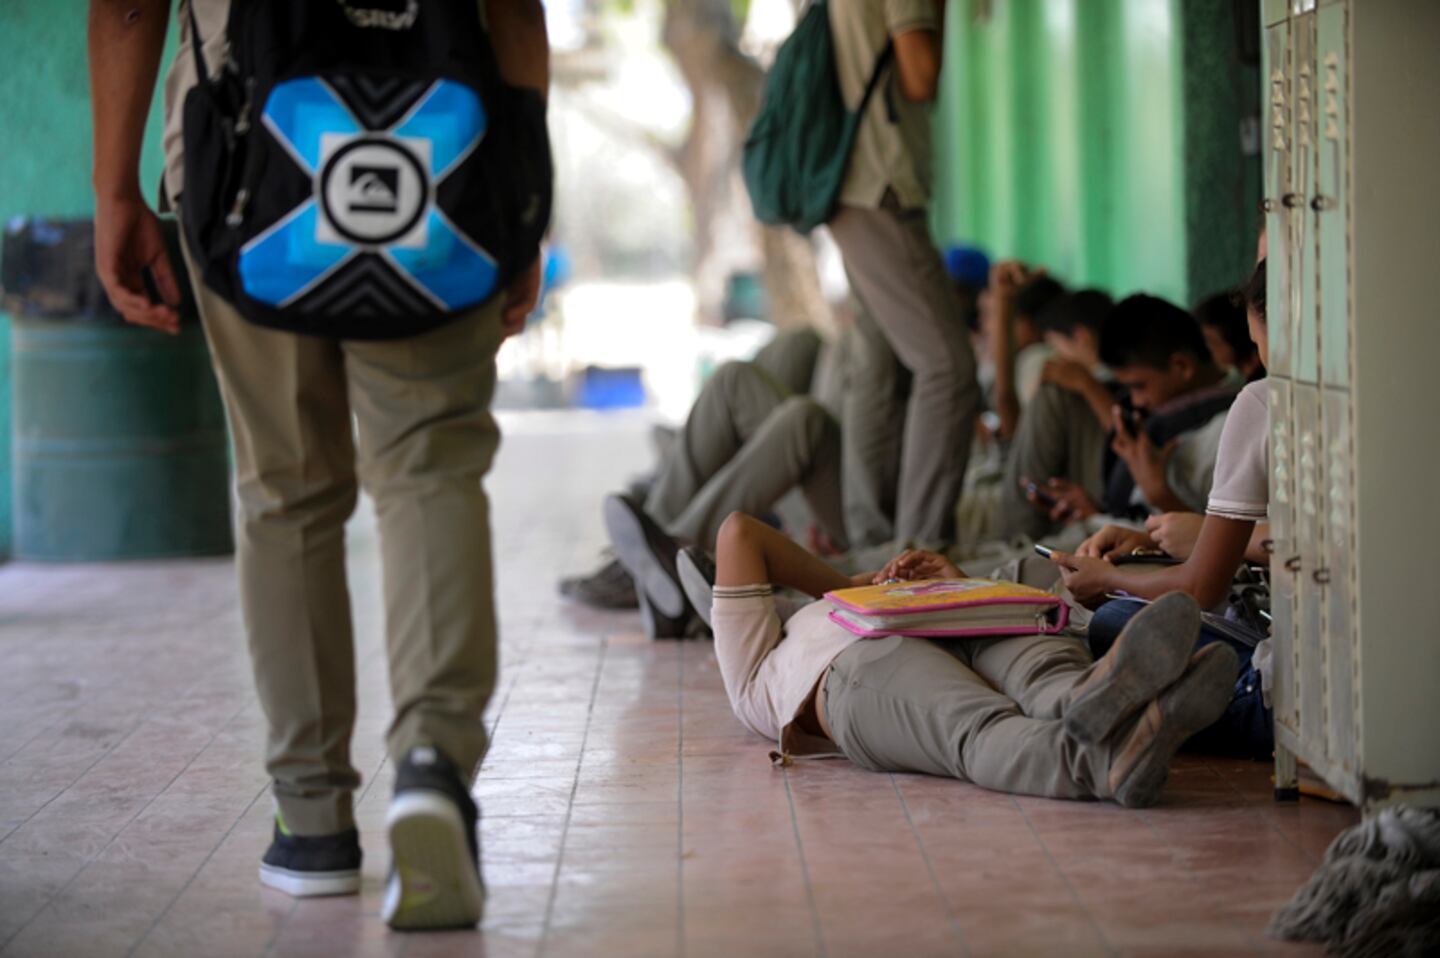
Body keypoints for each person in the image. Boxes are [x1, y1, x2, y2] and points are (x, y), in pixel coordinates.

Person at [88, 0, 548, 929]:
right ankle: (433, 766)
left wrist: (113, 190)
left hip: (245, 141)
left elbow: (128, 9)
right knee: (430, 465)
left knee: (285, 488)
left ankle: (312, 826)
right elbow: (514, 10)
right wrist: (525, 203)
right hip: (438, 136)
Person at [658, 511, 1236, 807]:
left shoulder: (818, 609)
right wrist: (845, 583)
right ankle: (1102, 759)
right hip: (857, 669)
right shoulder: (753, 666)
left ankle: (1094, 696)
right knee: (977, 730)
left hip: (951, 622)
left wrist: (951, 586)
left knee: (1038, 663)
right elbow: (739, 534)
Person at [1048, 261, 1273, 759]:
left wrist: (1108, 579)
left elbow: (1201, 588)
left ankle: (1131, 718)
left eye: (1258, 345)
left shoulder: (1261, 403)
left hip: (1273, 695)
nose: (1258, 361)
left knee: (1110, 619)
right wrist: (1163, 537)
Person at [826, 0, 983, 548]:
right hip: (882, 184)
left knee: (878, 365)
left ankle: (872, 547)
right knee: (949, 368)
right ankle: (918, 557)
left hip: (849, 186)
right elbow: (921, 76)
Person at [1001, 295, 1242, 542]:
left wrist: (1160, 495)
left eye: (1139, 386)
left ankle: (1014, 538)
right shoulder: (1172, 408)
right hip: (1111, 523)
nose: (1136, 401)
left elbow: (1213, 542)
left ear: (1182, 367)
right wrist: (1094, 511)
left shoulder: (1228, 429)